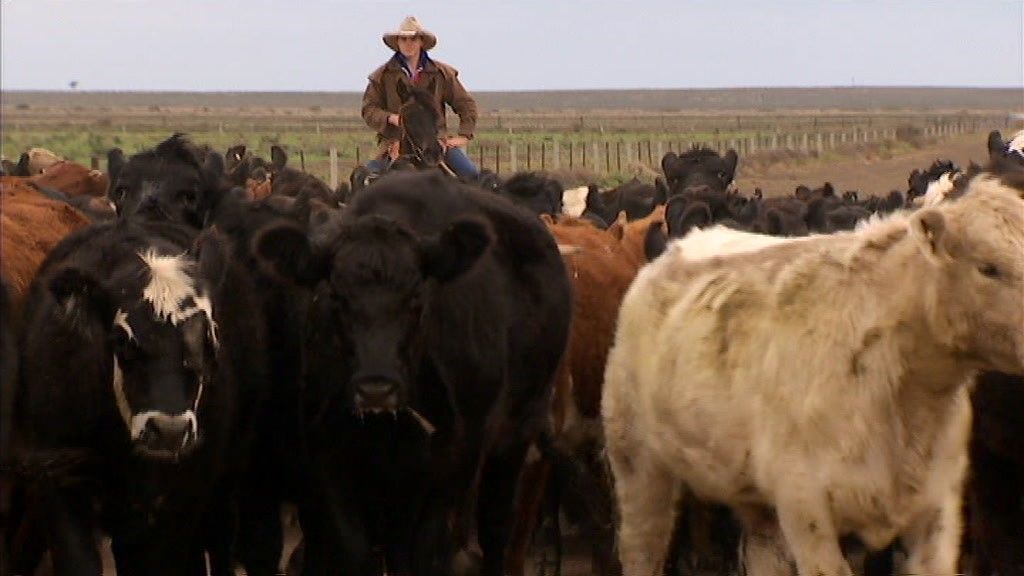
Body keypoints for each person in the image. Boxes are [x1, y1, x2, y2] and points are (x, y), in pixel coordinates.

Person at [362, 16, 480, 180]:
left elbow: (465, 104)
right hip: (395, 142)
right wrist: (390, 118)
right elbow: (369, 109)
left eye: (413, 38)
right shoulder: (382, 76)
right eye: (403, 39)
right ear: (398, 42)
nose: (408, 43)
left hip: (436, 141)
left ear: (421, 42)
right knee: (367, 180)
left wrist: (464, 135)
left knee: (472, 175)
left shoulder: (441, 74)